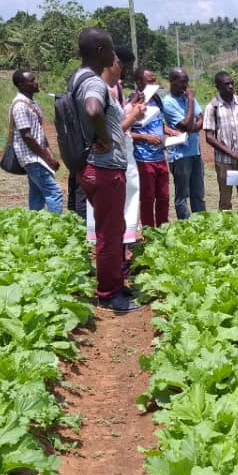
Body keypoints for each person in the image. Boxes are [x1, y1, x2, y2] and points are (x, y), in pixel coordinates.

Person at [70, 27, 141, 313]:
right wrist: (103, 137)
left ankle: (114, 282)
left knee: (111, 229)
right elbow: (92, 110)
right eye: (111, 50)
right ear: (100, 52)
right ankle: (110, 294)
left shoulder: (77, 78)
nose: (115, 55)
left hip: (92, 168)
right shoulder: (95, 84)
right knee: (110, 234)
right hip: (104, 170)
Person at [86, 49, 146, 256]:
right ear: (112, 63)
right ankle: (116, 259)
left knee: (120, 204)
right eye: (121, 64)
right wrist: (134, 116)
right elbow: (112, 127)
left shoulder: (111, 89)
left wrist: (131, 108)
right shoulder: (101, 89)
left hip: (117, 154)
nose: (124, 70)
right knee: (115, 207)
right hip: (110, 158)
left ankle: (119, 251)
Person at [9, 69, 62, 214]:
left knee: (37, 195)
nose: (35, 83)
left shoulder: (31, 102)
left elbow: (38, 131)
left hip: (37, 156)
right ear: (21, 84)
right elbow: (27, 136)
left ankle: (34, 225)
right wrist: (46, 157)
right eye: (31, 81)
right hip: (31, 157)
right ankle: (56, 228)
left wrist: (50, 154)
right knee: (54, 192)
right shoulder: (20, 106)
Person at [203, 71, 238, 210]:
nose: (231, 86)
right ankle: (226, 229)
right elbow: (209, 137)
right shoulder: (212, 107)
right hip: (224, 163)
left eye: (232, 83)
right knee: (225, 202)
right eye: (226, 84)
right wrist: (235, 154)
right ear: (217, 86)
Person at [130, 68, 173, 227]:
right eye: (150, 81)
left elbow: (158, 123)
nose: (154, 83)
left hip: (160, 157)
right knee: (147, 197)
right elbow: (125, 132)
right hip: (143, 158)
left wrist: (169, 131)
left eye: (155, 80)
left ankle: (163, 228)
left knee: (164, 196)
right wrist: (145, 137)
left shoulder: (157, 99)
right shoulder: (132, 102)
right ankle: (148, 231)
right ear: (139, 82)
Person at [162, 67, 205, 220]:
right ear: (172, 81)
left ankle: (201, 225)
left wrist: (191, 127)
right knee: (182, 196)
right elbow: (186, 124)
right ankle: (185, 227)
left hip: (195, 152)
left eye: (186, 81)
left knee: (198, 193)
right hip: (180, 156)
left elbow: (202, 119)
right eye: (182, 82)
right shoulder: (168, 102)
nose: (185, 85)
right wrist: (191, 100)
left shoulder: (186, 97)